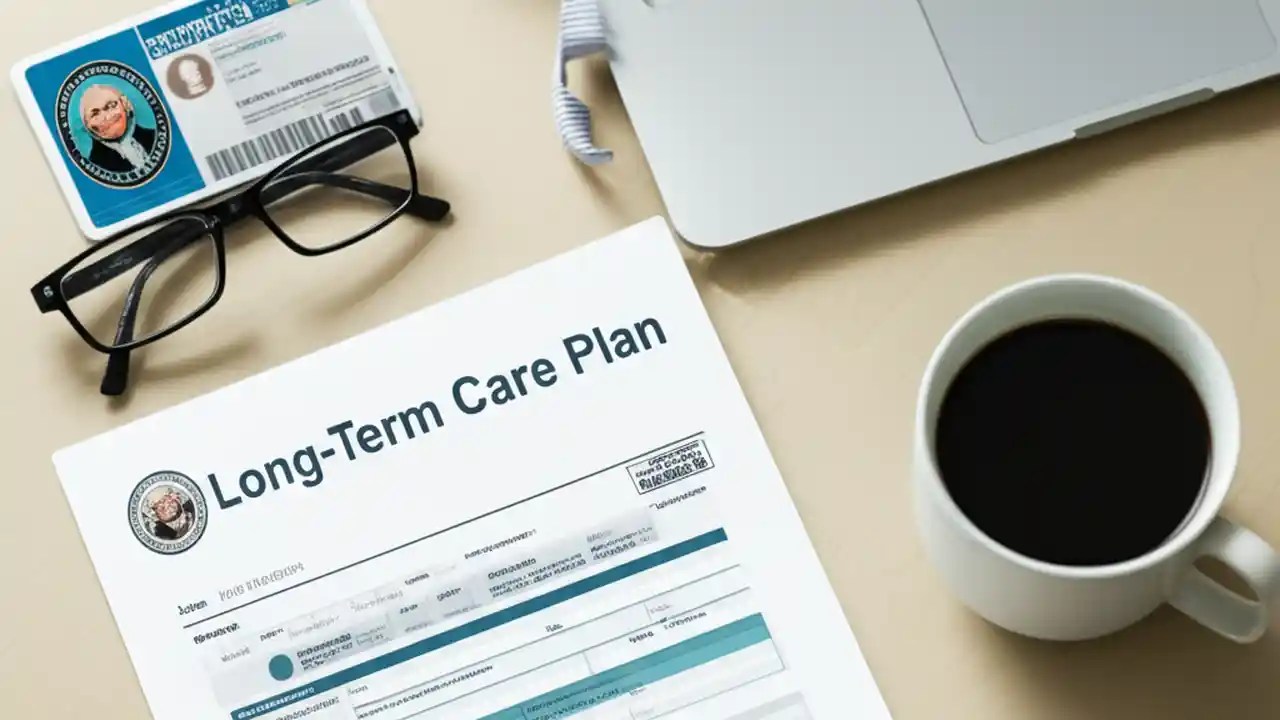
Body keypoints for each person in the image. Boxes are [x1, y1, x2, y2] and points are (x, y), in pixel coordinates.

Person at [78, 84, 157, 173]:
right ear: (87, 126)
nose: (107, 117)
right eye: (95, 114)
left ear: (125, 104)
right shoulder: (96, 166)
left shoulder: (154, 136)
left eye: (112, 105)